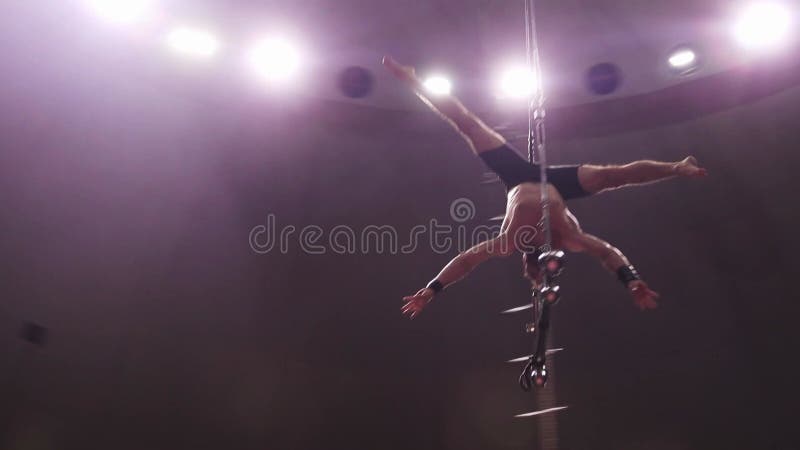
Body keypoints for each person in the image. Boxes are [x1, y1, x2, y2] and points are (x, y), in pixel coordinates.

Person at [383, 56, 708, 318]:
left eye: (537, 266)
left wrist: (432, 288)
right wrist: (631, 279)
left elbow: (465, 261)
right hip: (556, 186)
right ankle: (677, 168)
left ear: (531, 255)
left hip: (516, 177)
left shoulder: (509, 242)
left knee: (468, 124)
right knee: (613, 177)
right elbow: (608, 253)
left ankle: (678, 166)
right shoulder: (569, 238)